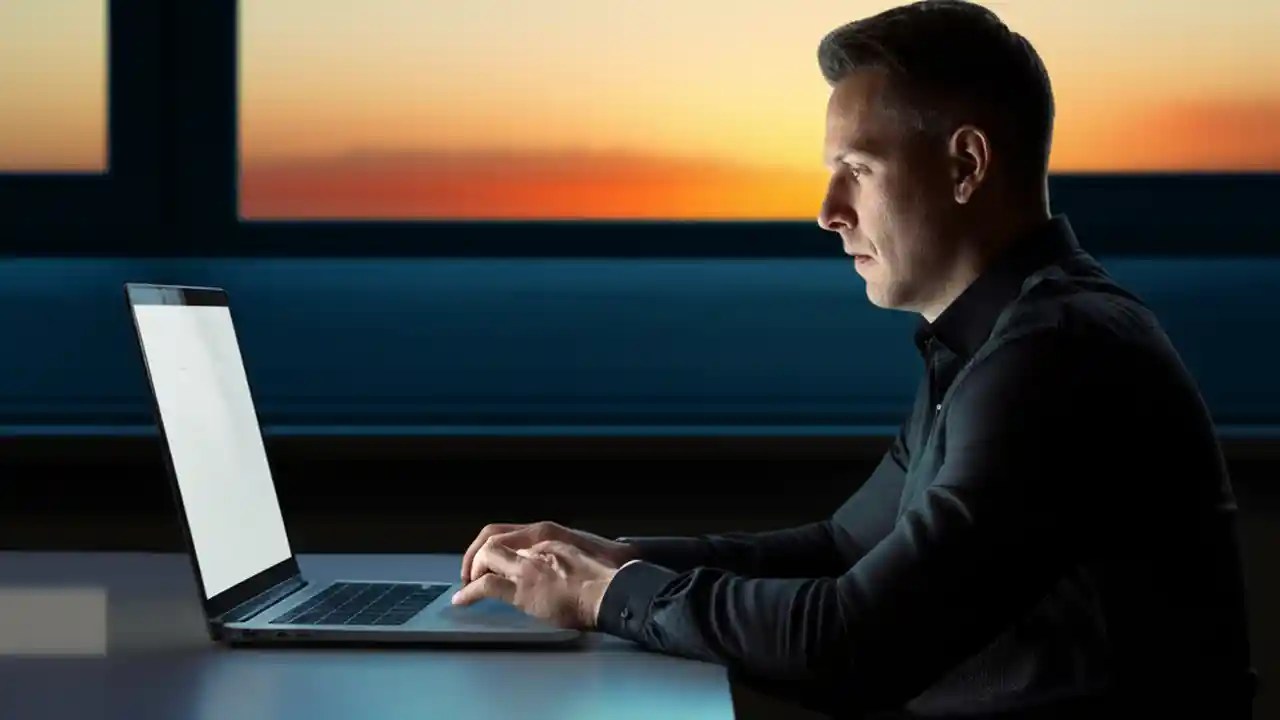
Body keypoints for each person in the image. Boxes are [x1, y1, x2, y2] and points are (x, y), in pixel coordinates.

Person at [450, 1, 1256, 717]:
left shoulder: (1055, 357)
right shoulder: (997, 340)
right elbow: (844, 548)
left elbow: (855, 644)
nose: (828, 212)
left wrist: (610, 598)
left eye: (858, 171)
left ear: (967, 165)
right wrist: (613, 557)